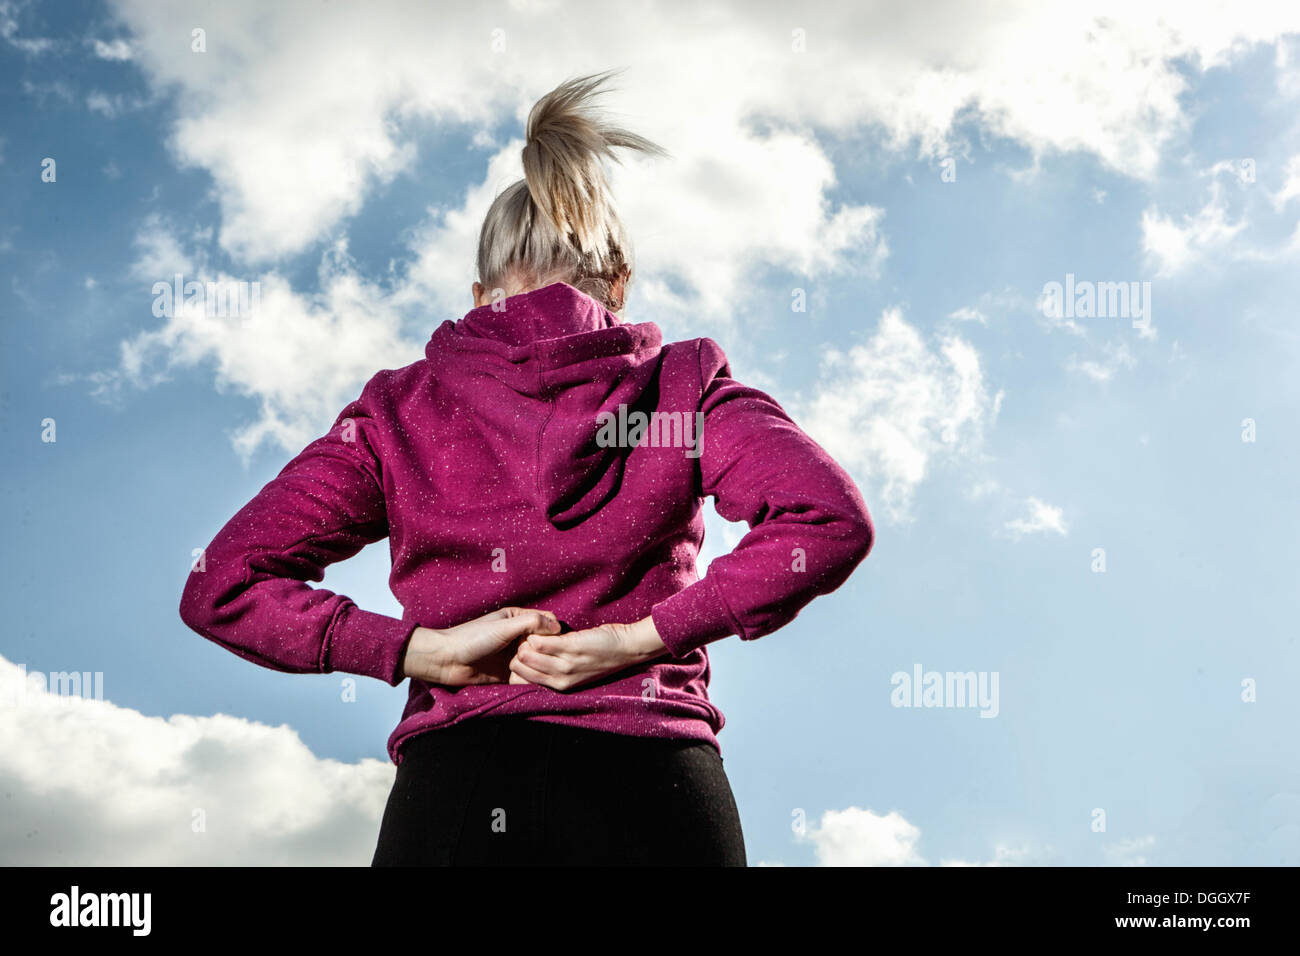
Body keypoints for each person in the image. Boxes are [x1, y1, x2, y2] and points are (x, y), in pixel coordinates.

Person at [178, 70, 874, 867]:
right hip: (654, 788)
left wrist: (418, 651)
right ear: (618, 284)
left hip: (458, 789)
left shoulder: (398, 409)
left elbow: (222, 582)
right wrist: (638, 639)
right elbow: (825, 521)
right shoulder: (686, 382)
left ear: (480, 294)